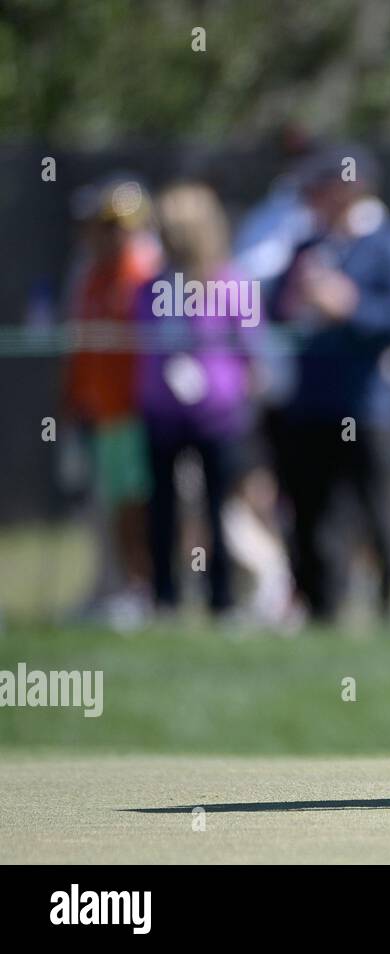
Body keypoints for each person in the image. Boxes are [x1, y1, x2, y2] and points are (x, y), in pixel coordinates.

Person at [267, 145, 390, 623]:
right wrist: (296, 297)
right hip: (311, 402)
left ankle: (389, 606)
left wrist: (349, 305)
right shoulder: (307, 246)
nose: (313, 198)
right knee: (312, 509)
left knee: (378, 506)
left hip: (369, 403)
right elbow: (277, 308)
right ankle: (322, 606)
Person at [134, 182, 252, 618]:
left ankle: (223, 598)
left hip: (217, 415)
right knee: (161, 507)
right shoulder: (150, 287)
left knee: (219, 507)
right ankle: (164, 597)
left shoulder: (232, 282)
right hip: (162, 415)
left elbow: (250, 347)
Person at [63, 176, 162, 629]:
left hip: (137, 411)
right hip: (102, 413)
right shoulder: (91, 277)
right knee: (110, 506)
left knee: (135, 508)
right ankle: (116, 587)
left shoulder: (143, 273)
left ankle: (141, 589)